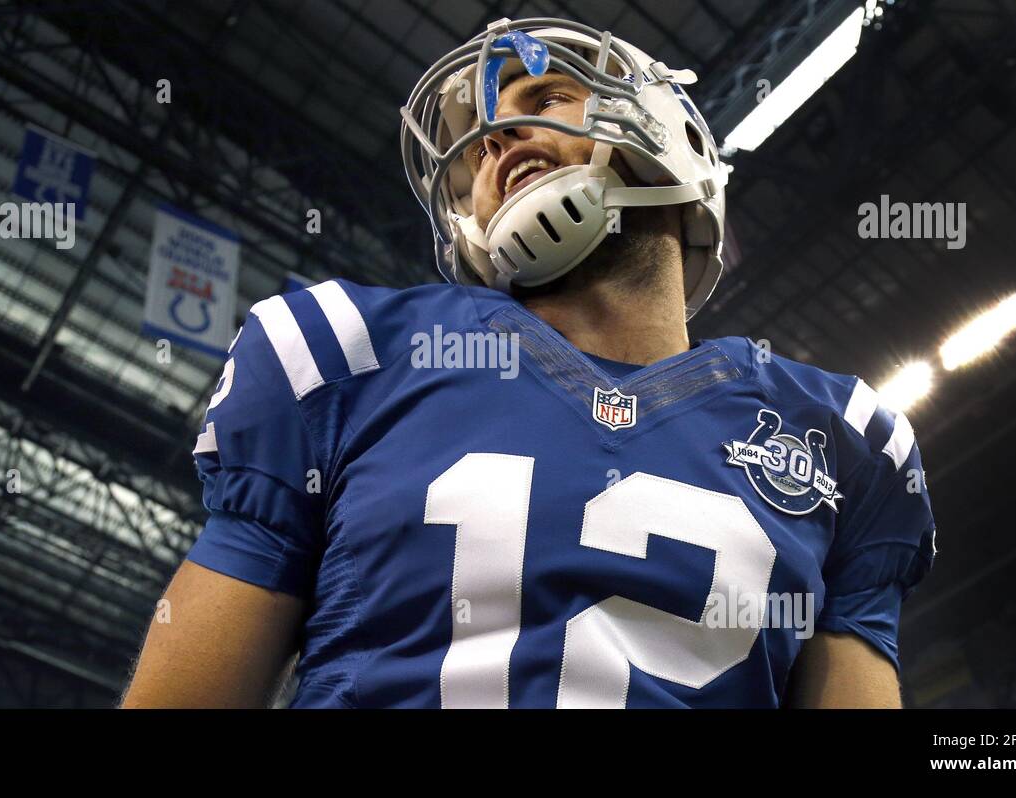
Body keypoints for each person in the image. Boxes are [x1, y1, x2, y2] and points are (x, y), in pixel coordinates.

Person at [121, 17, 935, 709]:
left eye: (543, 98)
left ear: (670, 133)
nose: (496, 138)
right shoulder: (346, 354)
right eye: (475, 150)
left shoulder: (844, 440)